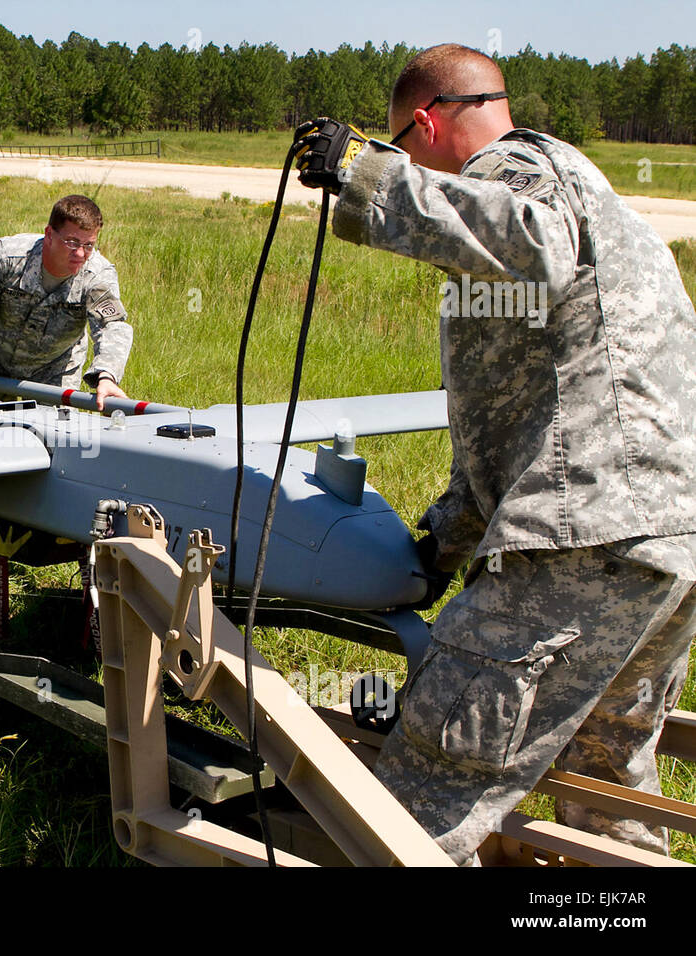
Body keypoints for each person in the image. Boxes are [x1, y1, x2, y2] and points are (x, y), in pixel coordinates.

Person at [295, 43, 696, 863]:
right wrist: (443, 543)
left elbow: (533, 239)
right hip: (663, 543)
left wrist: (370, 175)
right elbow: (510, 424)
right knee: (604, 773)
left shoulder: (524, 171)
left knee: (432, 775)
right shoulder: (603, 216)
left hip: (584, 541)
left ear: (427, 123)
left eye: (409, 151)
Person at [0, 194, 132, 410]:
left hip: (56, 368)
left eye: (89, 245)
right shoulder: (5, 260)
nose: (80, 253)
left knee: (55, 437)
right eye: (72, 242)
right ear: (49, 234)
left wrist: (107, 375)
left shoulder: (96, 275)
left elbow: (111, 325)